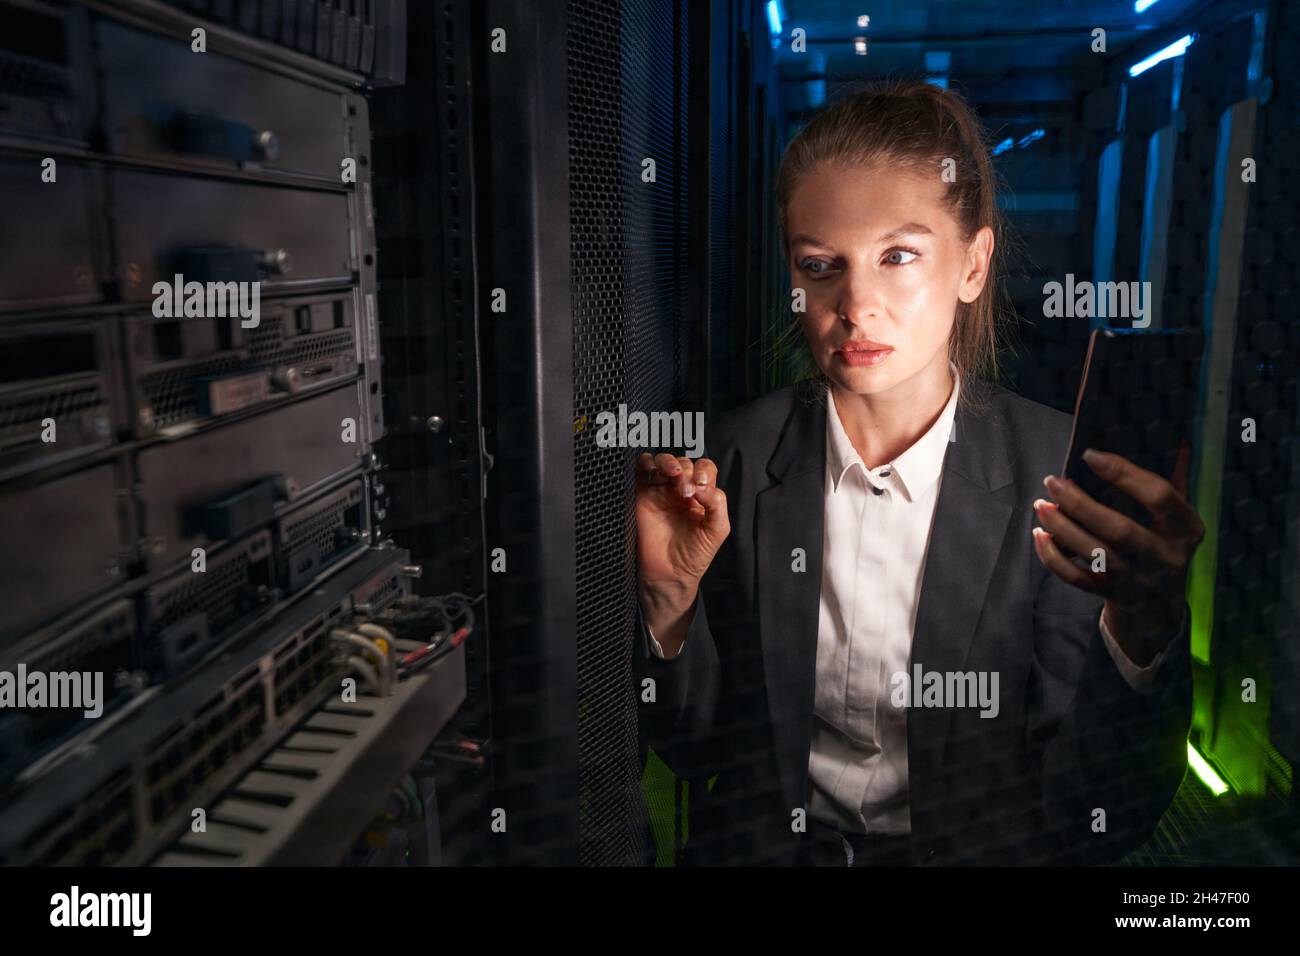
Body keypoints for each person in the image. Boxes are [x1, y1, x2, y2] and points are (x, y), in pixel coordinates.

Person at [633, 80, 1204, 866]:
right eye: (821, 264)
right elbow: (699, 756)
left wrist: (1143, 628)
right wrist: (670, 606)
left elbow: (1100, 811)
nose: (857, 304)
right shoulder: (730, 463)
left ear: (973, 264)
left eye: (898, 256)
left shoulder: (1055, 476)